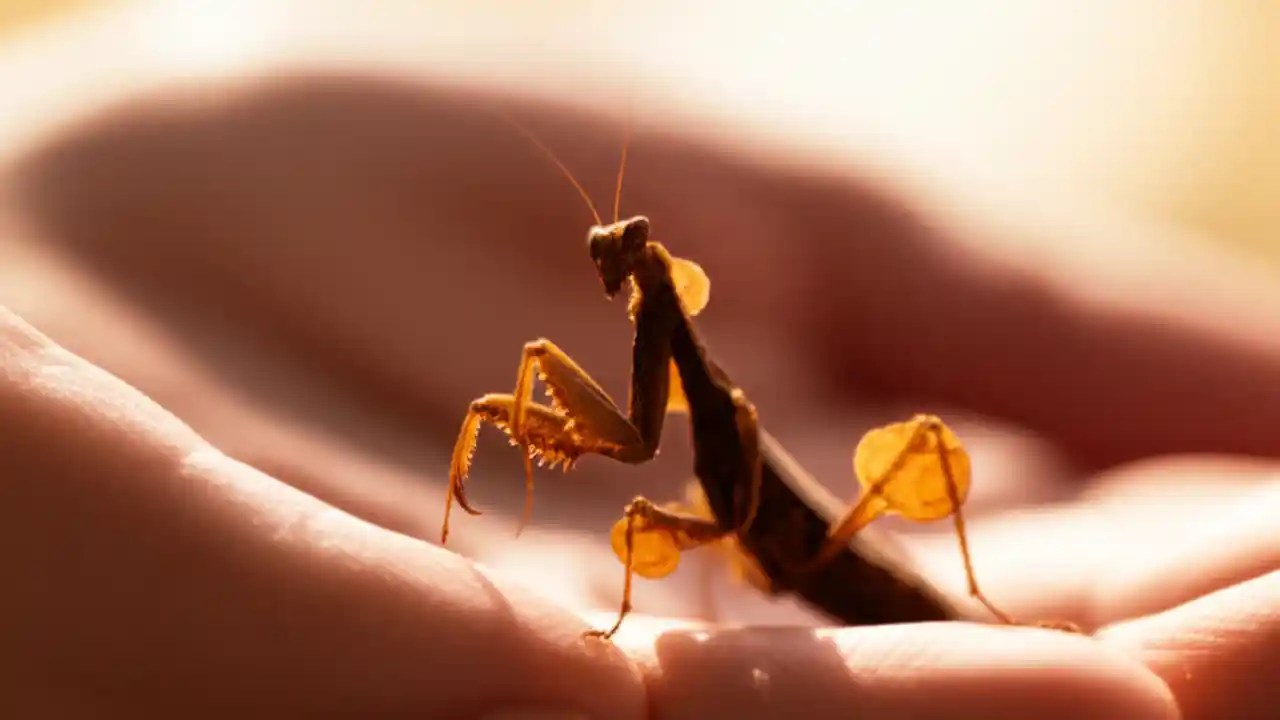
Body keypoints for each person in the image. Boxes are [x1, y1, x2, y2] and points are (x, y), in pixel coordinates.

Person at [1, 22, 1275, 720]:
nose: (611, 270)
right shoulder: (651, 366)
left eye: (621, 258)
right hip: (765, 541)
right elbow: (626, 451)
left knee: (911, 469)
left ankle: (983, 604)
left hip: (835, 557)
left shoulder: (694, 379)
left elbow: (634, 454)